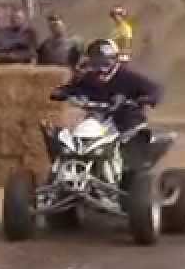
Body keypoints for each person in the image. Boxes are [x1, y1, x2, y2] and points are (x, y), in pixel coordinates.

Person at [50, 38, 161, 172]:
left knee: (131, 153)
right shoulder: (88, 78)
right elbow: (72, 88)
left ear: (114, 59)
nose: (100, 66)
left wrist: (145, 99)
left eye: (104, 61)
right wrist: (62, 92)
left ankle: (125, 175)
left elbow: (154, 89)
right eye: (96, 61)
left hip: (126, 122)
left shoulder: (128, 76)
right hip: (98, 120)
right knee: (67, 138)